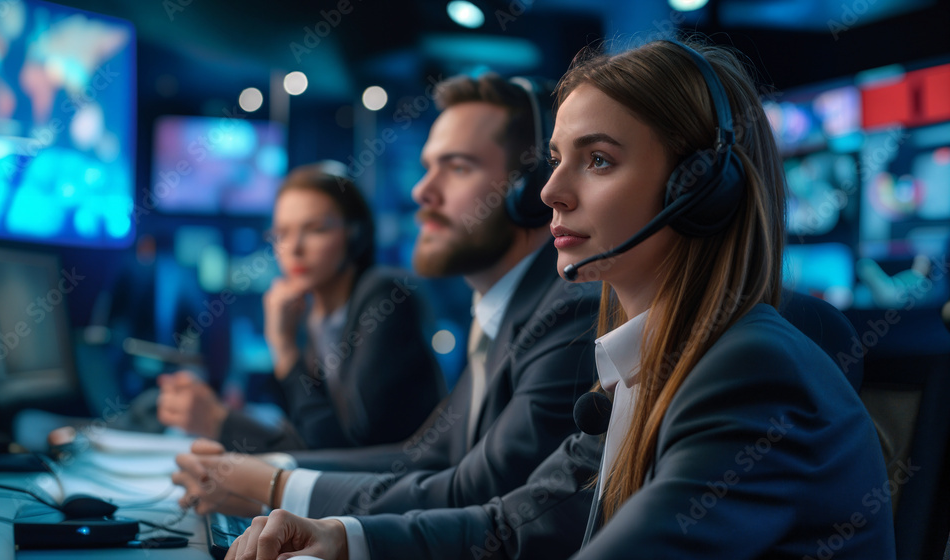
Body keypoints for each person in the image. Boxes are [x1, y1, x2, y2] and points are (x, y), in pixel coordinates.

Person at [221, 39, 895, 560]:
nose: (549, 192)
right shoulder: (649, 365)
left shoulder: (750, 374)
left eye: (598, 160)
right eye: (556, 159)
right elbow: (513, 525)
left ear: (697, 188)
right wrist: (343, 539)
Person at [170, 74, 600, 520]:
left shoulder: (566, 313)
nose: (421, 190)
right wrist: (268, 470)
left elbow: (480, 491)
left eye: (457, 167)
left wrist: (274, 485)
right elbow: (424, 458)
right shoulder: (498, 313)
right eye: (427, 167)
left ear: (530, 190)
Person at [156, 161, 446, 452]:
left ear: (355, 234)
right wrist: (221, 419)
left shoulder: (384, 295)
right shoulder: (311, 316)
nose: (294, 249)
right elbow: (304, 433)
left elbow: (343, 449)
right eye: (281, 234)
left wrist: (283, 349)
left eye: (315, 229)